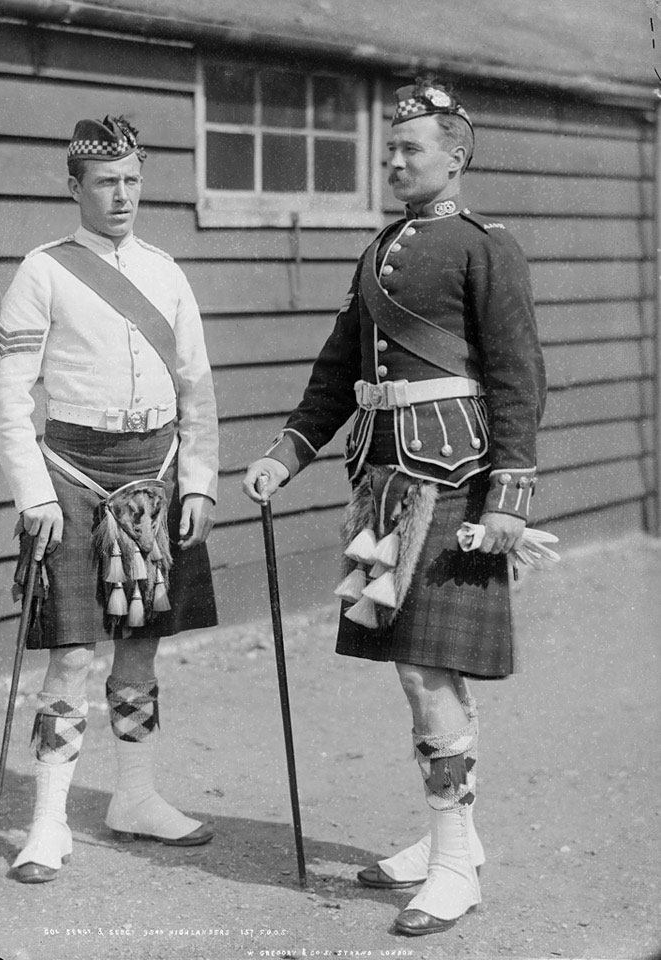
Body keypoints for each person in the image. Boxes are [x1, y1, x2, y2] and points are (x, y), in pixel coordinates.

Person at [243, 79, 546, 936]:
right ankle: (453, 839)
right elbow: (337, 373)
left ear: (456, 153)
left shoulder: (487, 248)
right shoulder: (378, 251)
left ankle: (452, 866)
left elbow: (520, 376)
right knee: (421, 672)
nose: (394, 159)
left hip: (453, 482)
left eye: (410, 147)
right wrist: (284, 455)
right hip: (381, 484)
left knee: (426, 670)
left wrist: (510, 496)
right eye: (391, 147)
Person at [0, 114, 219, 884]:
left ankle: (136, 798)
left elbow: (197, 389)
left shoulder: (167, 271)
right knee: (74, 654)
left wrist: (201, 480)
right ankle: (47, 824)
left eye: (132, 181)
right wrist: (32, 494)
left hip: (157, 472)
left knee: (141, 646)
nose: (122, 196)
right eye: (106, 183)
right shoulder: (44, 270)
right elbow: (2, 392)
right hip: (72, 477)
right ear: (74, 187)